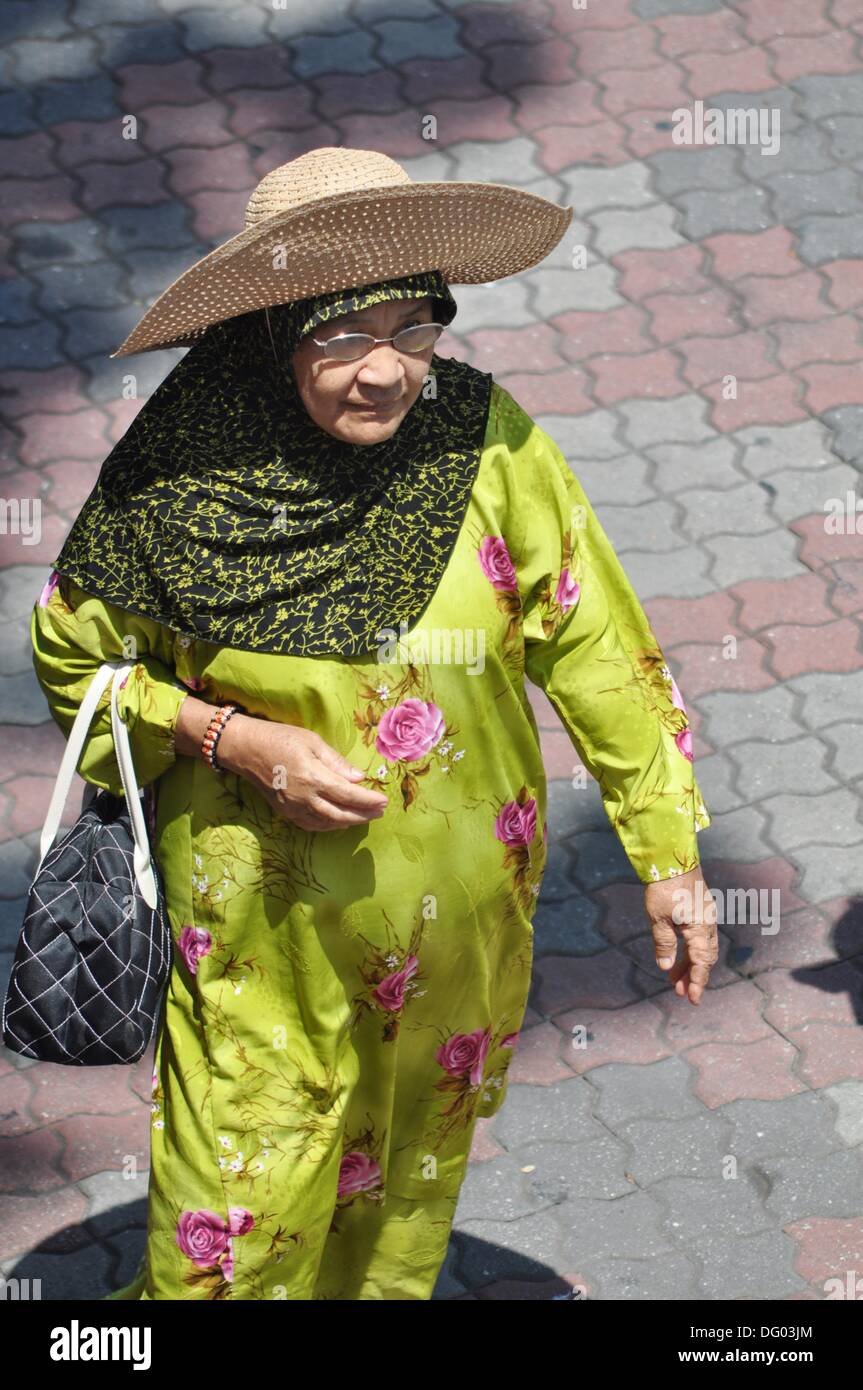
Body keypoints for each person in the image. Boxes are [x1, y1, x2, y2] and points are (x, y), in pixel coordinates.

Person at [30, 148, 718, 1301]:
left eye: (413, 327)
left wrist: (668, 856)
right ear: (269, 332)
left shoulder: (483, 438)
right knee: (234, 1228)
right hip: (259, 947)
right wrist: (232, 742)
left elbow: (596, 641)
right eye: (341, 336)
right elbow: (75, 660)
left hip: (454, 934)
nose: (386, 370)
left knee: (399, 1209)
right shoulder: (174, 480)